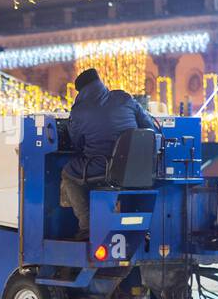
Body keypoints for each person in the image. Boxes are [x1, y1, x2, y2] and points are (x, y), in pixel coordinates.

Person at [60, 68, 157, 238]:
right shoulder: (124, 98)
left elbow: (77, 144)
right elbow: (149, 128)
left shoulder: (79, 111)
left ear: (80, 91)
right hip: (136, 169)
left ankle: (86, 226)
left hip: (102, 167)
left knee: (68, 172)